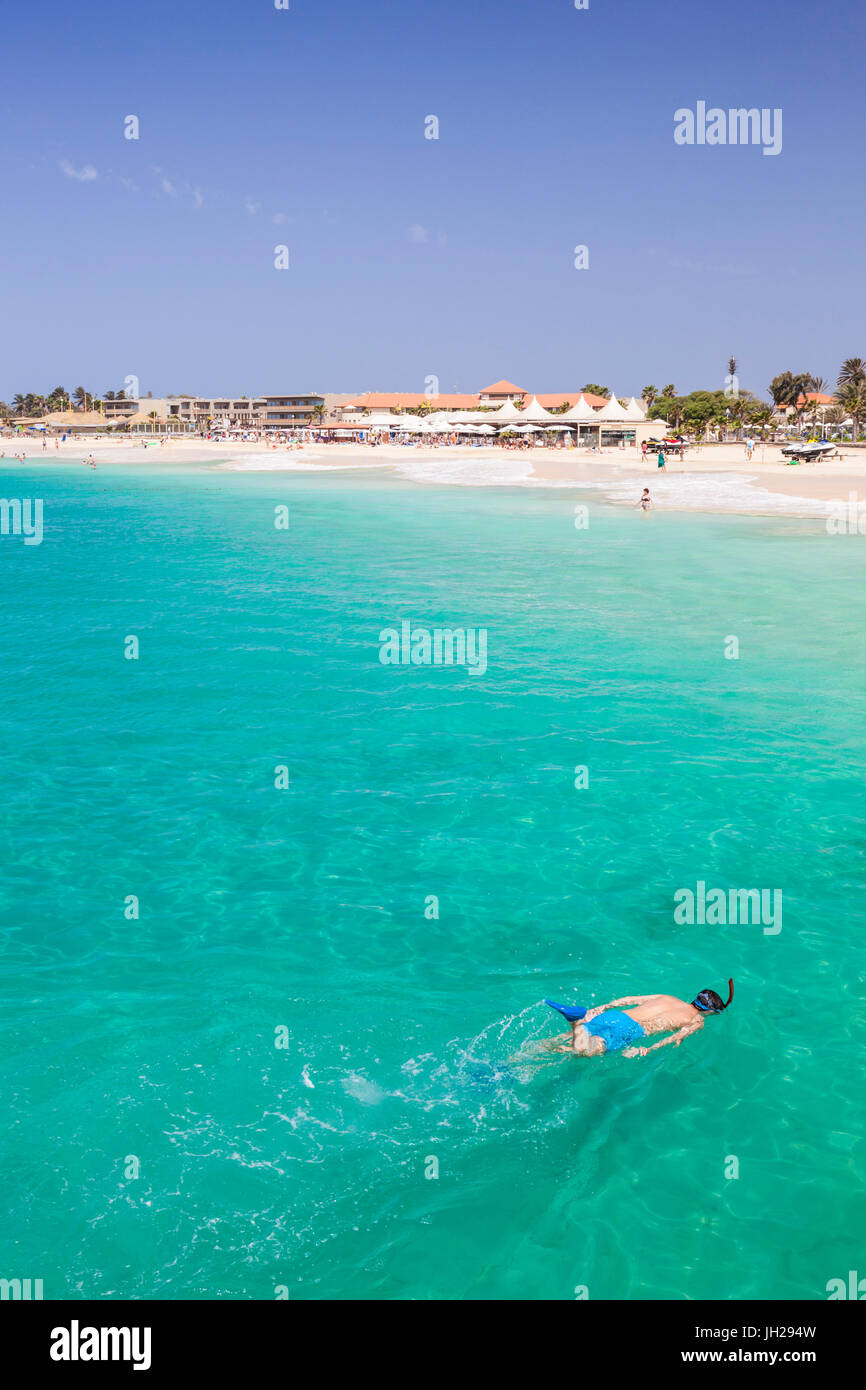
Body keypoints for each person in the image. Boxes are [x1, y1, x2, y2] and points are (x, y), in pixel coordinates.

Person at [541, 980, 733, 1058]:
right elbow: (674, 1038)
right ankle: (575, 1021)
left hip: (616, 1015)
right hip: (631, 1030)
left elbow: (630, 1000)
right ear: (709, 1011)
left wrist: (603, 1007)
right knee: (584, 1051)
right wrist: (648, 1049)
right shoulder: (698, 1021)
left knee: (561, 1040)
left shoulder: (668, 997)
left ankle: (517, 1057)